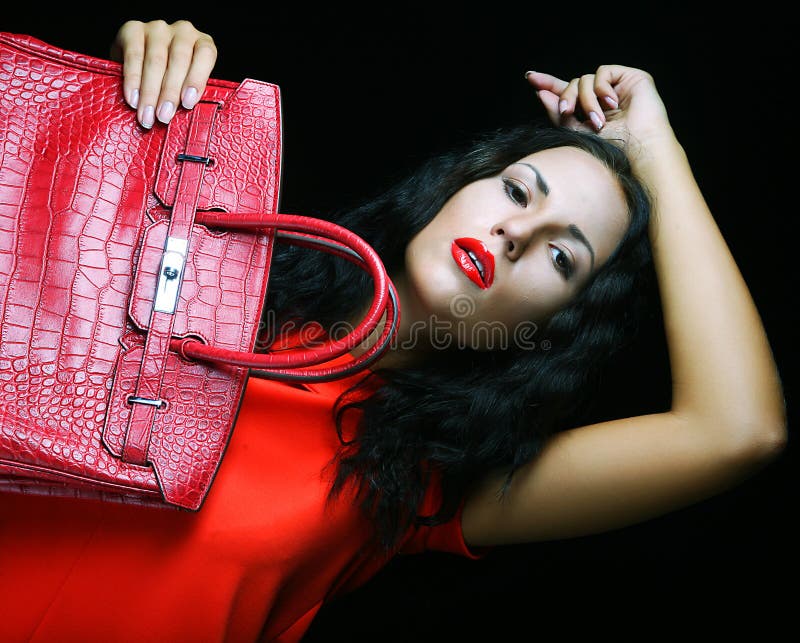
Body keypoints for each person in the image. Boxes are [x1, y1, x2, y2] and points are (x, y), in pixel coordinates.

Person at [0, 18, 787, 643]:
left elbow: (736, 428)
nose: (516, 232)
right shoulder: (203, 272)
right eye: (517, 189)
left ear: (552, 327)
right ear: (453, 187)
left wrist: (654, 151)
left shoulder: (415, 488)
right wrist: (124, 106)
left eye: (560, 253)